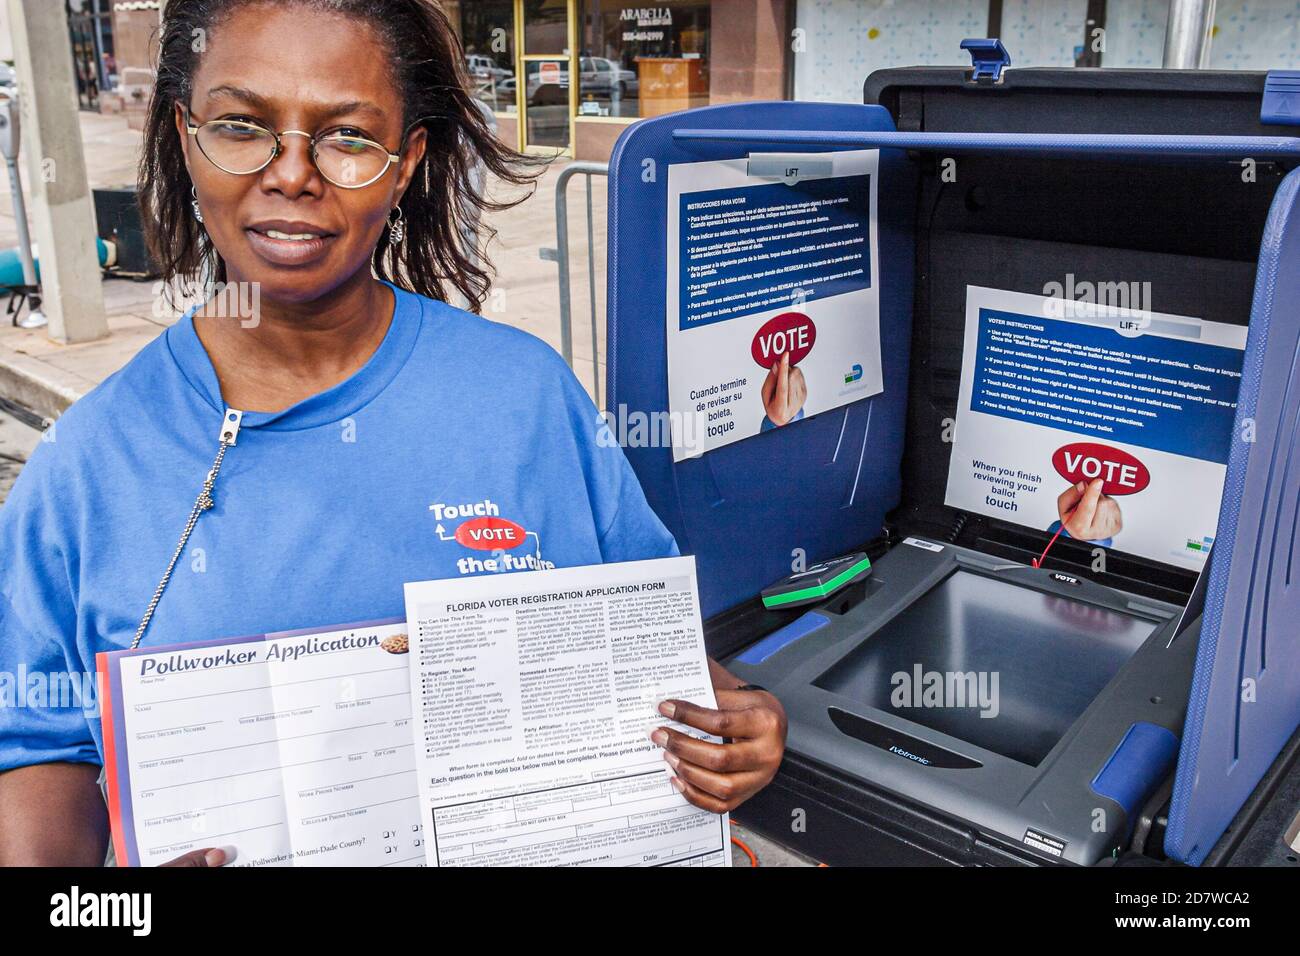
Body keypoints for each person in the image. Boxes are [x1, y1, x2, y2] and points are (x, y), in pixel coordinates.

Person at [0, 0, 786, 867]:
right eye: (240, 125)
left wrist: (733, 718)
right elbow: (36, 752)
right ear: (187, 138)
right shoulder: (85, 468)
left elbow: (644, 646)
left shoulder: (527, 397)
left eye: (345, 136)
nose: (292, 173)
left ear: (406, 161)